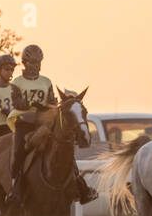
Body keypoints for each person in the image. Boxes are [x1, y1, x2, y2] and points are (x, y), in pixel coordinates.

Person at [6, 44, 97, 206]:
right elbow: (16, 103)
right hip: (25, 124)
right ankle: (16, 188)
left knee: (64, 148)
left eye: (39, 62)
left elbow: (52, 102)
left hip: (44, 123)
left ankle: (81, 187)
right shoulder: (17, 82)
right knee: (19, 153)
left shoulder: (46, 81)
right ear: (25, 63)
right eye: (33, 63)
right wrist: (31, 103)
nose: (36, 66)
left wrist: (55, 105)